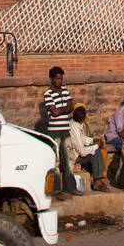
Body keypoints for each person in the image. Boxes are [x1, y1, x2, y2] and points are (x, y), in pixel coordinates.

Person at [42, 66, 82, 200]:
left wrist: (61, 109)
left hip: (65, 129)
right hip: (54, 132)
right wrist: (64, 109)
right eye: (57, 78)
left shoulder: (65, 91)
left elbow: (71, 108)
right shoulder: (48, 93)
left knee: (70, 158)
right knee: (56, 161)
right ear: (51, 79)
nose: (59, 81)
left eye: (61, 78)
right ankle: (56, 190)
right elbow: (54, 112)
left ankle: (70, 187)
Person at [69, 106, 110, 192]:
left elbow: (82, 138)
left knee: (96, 148)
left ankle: (99, 179)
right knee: (96, 152)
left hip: (79, 151)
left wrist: (93, 140)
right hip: (75, 157)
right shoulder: (74, 128)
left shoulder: (76, 123)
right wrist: (96, 146)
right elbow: (82, 152)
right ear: (83, 118)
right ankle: (97, 182)